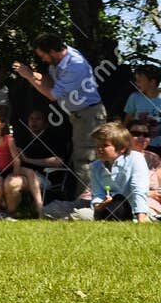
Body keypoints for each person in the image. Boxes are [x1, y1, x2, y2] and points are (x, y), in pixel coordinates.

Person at [13, 33, 106, 199]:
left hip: (89, 115)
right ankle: (86, 199)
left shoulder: (75, 66)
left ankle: (87, 203)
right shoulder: (60, 59)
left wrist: (28, 76)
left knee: (85, 160)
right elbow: (51, 83)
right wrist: (33, 74)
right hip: (78, 115)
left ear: (52, 51)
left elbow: (52, 94)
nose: (43, 60)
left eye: (43, 56)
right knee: (79, 158)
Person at [85, 123, 150, 222]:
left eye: (105, 145)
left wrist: (141, 220)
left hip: (129, 210)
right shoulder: (96, 166)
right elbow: (97, 195)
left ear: (122, 148)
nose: (99, 149)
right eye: (97, 145)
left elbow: (139, 190)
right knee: (58, 208)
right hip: (105, 209)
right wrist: (101, 205)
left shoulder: (136, 159)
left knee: (83, 215)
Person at [122, 65, 161, 151]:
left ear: (152, 82)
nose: (136, 83)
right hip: (139, 144)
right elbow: (128, 120)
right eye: (136, 80)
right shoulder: (134, 97)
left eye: (139, 81)